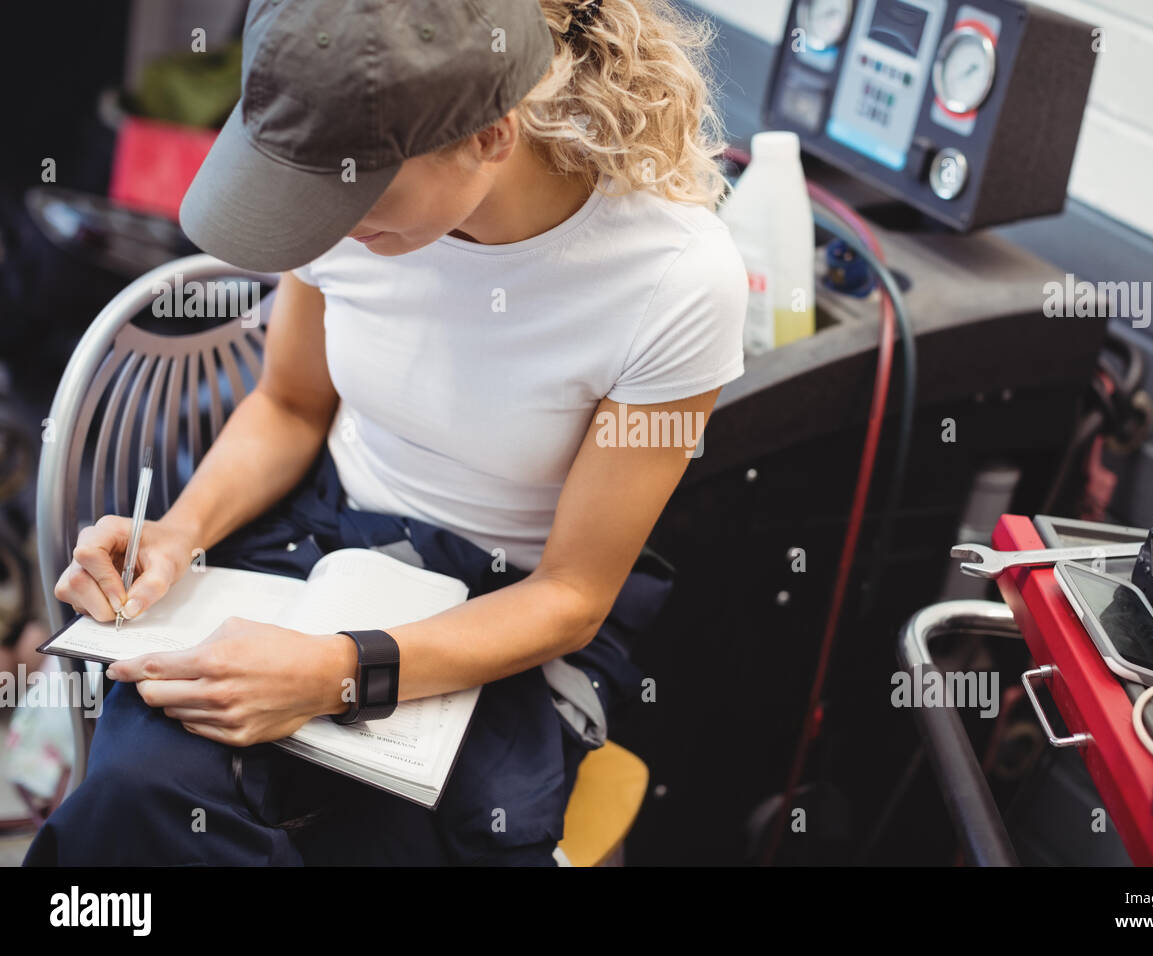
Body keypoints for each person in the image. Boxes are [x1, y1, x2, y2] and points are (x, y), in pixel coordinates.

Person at [25, 0, 746, 865]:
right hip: (317, 551)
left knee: (379, 842)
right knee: (139, 803)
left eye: (351, 195)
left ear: (489, 135)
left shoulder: (675, 280)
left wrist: (337, 671)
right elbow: (290, 408)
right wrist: (179, 534)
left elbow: (571, 598)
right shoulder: (335, 213)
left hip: (503, 614)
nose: (319, 228)